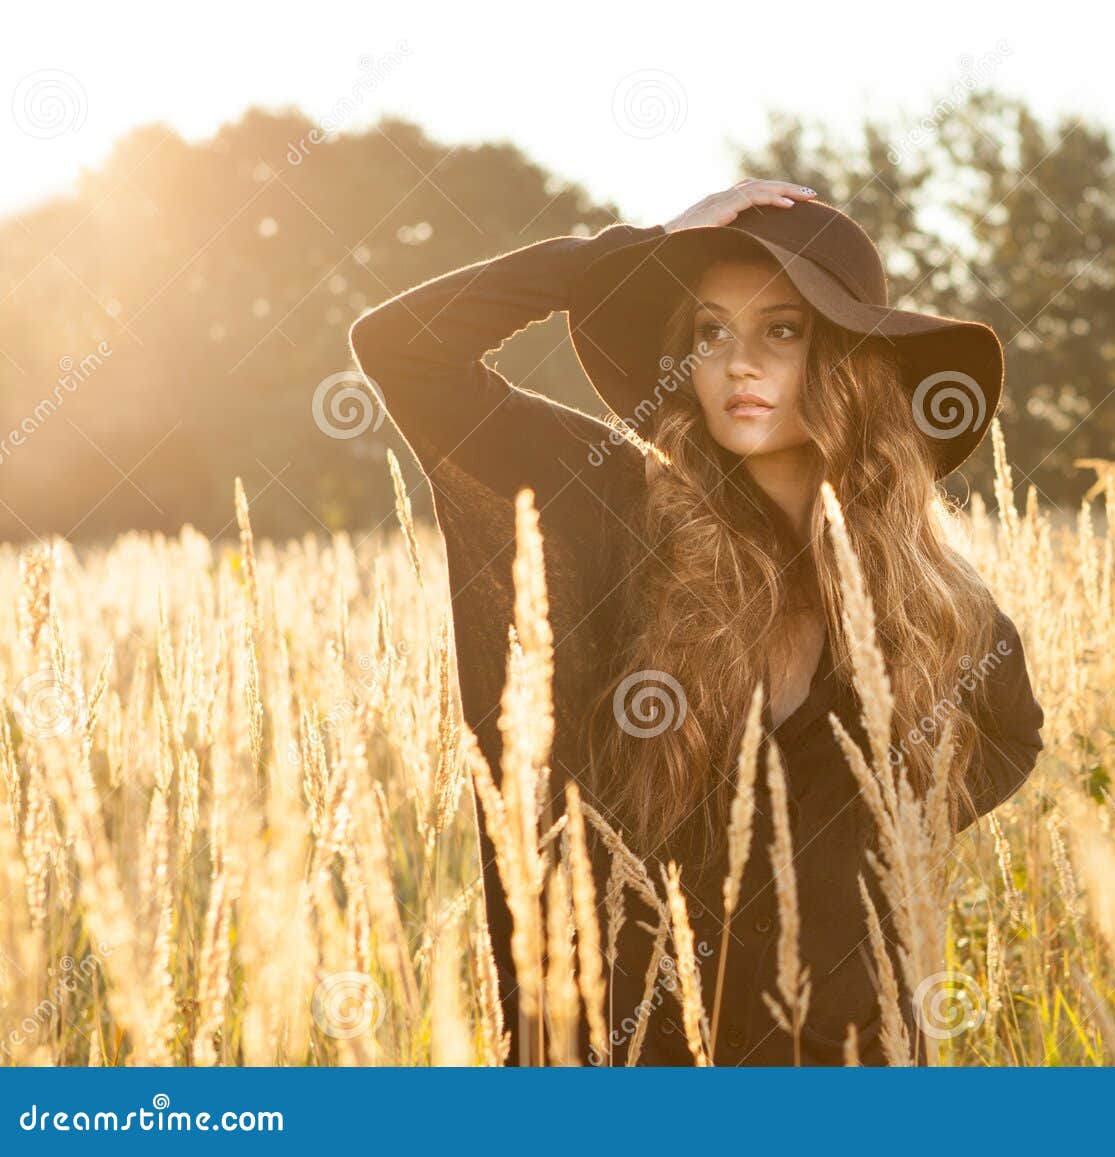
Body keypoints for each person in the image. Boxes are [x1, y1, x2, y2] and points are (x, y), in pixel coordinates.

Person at [347, 178, 1045, 1066]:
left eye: (781, 331)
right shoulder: (616, 514)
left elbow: (1011, 737)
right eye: (710, 331)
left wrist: (861, 863)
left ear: (849, 360)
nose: (735, 363)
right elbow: (403, 348)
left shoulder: (937, 612)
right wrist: (625, 251)